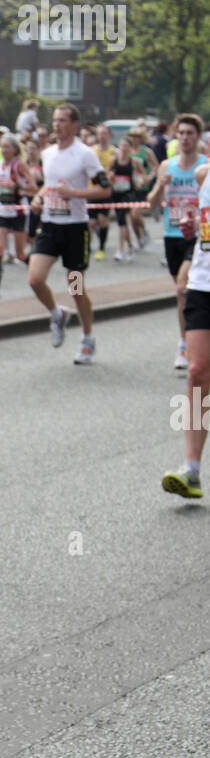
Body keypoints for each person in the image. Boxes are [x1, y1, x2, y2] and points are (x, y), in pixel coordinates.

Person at [27, 102, 111, 364]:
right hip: (51, 226)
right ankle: (56, 314)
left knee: (76, 288)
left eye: (63, 120)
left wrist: (74, 194)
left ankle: (87, 338)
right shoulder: (48, 152)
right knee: (35, 279)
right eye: (55, 120)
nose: (57, 125)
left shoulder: (85, 154)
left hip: (75, 228)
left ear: (74, 124)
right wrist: (39, 198)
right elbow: (49, 185)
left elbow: (105, 190)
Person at [161, 154, 210, 499]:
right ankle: (191, 470)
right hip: (203, 283)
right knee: (197, 372)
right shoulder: (203, 174)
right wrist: (194, 226)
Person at [146, 113, 207, 370]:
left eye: (190, 133)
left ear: (198, 137)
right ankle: (189, 339)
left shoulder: (204, 167)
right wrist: (160, 185)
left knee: (183, 287)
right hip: (173, 234)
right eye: (180, 133)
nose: (184, 138)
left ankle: (184, 346)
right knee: (181, 293)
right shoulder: (167, 166)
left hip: (198, 238)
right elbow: (151, 204)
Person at [0, 135, 36, 299]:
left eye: (7, 147)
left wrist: (17, 186)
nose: (4, 150)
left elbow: (33, 188)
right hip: (1, 211)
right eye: (2, 147)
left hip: (18, 211)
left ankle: (37, 278)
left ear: (15, 149)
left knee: (20, 254)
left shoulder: (19, 165)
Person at [109, 135, 146, 262]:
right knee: (122, 222)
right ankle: (130, 246)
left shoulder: (134, 161)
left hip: (129, 193)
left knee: (123, 221)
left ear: (130, 148)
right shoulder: (113, 160)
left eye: (126, 146)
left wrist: (140, 181)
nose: (124, 148)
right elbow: (106, 175)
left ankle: (120, 250)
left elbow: (143, 175)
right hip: (116, 193)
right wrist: (110, 176)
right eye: (122, 145)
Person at [92, 124, 114, 260]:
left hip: (106, 191)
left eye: (104, 133)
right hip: (91, 190)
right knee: (90, 222)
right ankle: (88, 248)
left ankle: (101, 248)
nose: (101, 136)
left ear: (109, 135)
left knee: (102, 221)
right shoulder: (91, 151)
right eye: (99, 133)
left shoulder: (113, 152)